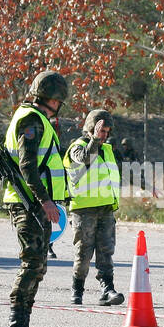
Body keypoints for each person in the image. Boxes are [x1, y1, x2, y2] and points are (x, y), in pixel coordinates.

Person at [2, 70, 70, 327]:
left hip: (32, 202)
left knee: (38, 265)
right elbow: (28, 165)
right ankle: (14, 326)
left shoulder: (35, 118)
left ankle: (24, 325)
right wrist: (45, 200)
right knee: (31, 262)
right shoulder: (32, 120)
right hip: (27, 203)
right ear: (54, 99)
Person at [66, 108, 125, 306]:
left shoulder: (107, 149)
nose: (104, 135)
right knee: (83, 253)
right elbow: (85, 159)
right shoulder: (77, 146)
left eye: (107, 131)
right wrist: (95, 141)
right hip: (84, 210)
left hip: (106, 209)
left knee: (106, 251)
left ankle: (107, 289)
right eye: (101, 130)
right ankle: (77, 290)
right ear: (91, 129)